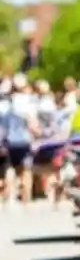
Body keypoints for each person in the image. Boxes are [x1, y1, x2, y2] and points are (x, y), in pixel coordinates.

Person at [1, 74, 40, 204]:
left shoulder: (6, 103)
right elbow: (32, 123)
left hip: (10, 141)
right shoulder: (28, 102)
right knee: (27, 169)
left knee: (9, 168)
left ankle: (9, 196)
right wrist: (37, 136)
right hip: (25, 140)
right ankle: (26, 198)